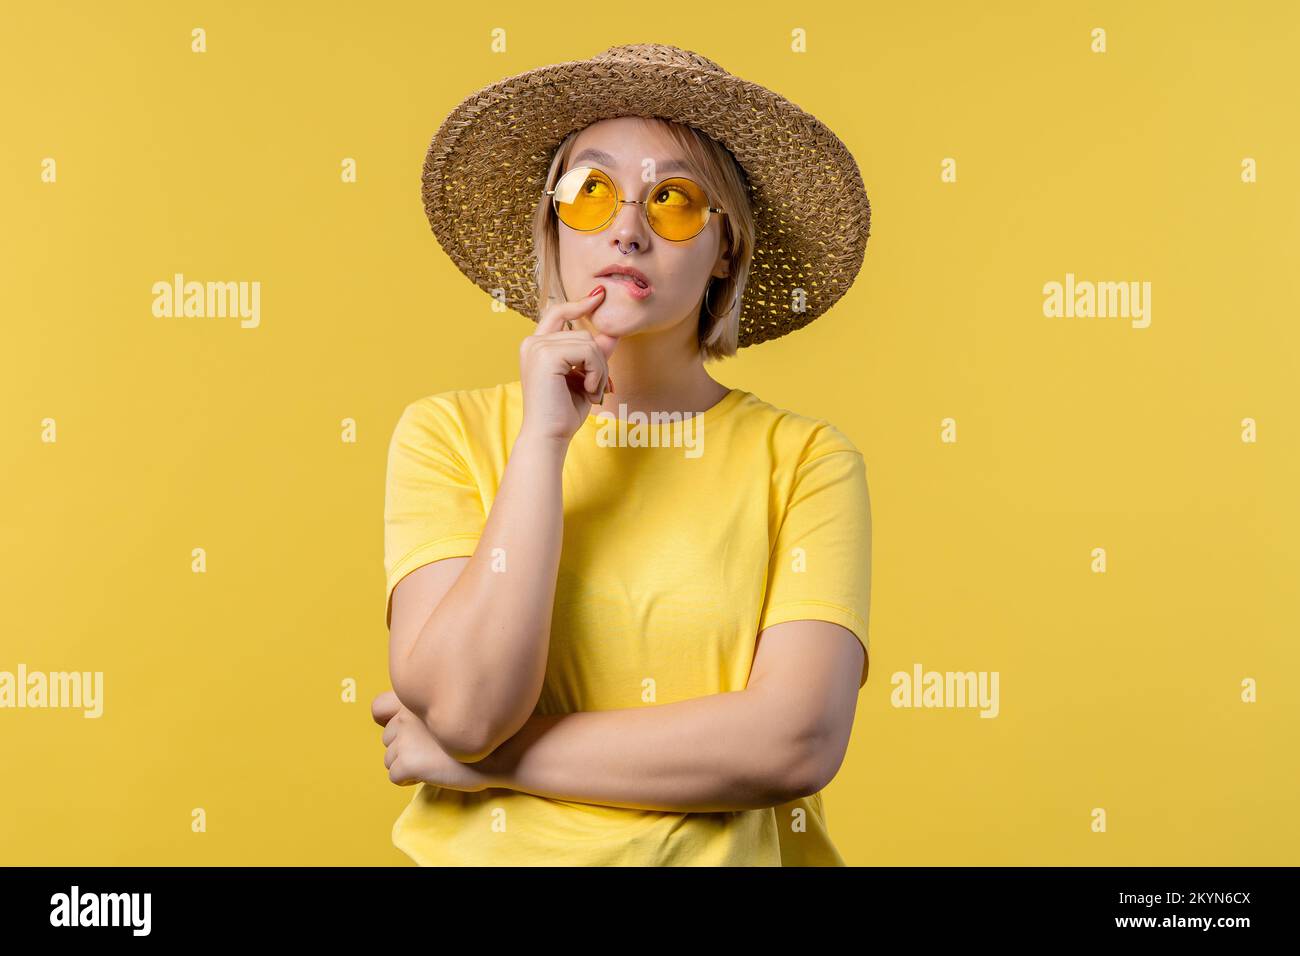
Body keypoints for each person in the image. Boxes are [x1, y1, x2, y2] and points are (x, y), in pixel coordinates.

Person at [373, 43, 873, 865]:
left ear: (725, 254)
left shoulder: (807, 461)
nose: (628, 229)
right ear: (553, 226)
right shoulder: (446, 435)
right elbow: (465, 709)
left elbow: (794, 742)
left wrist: (491, 764)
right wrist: (542, 444)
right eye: (592, 192)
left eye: (674, 200)